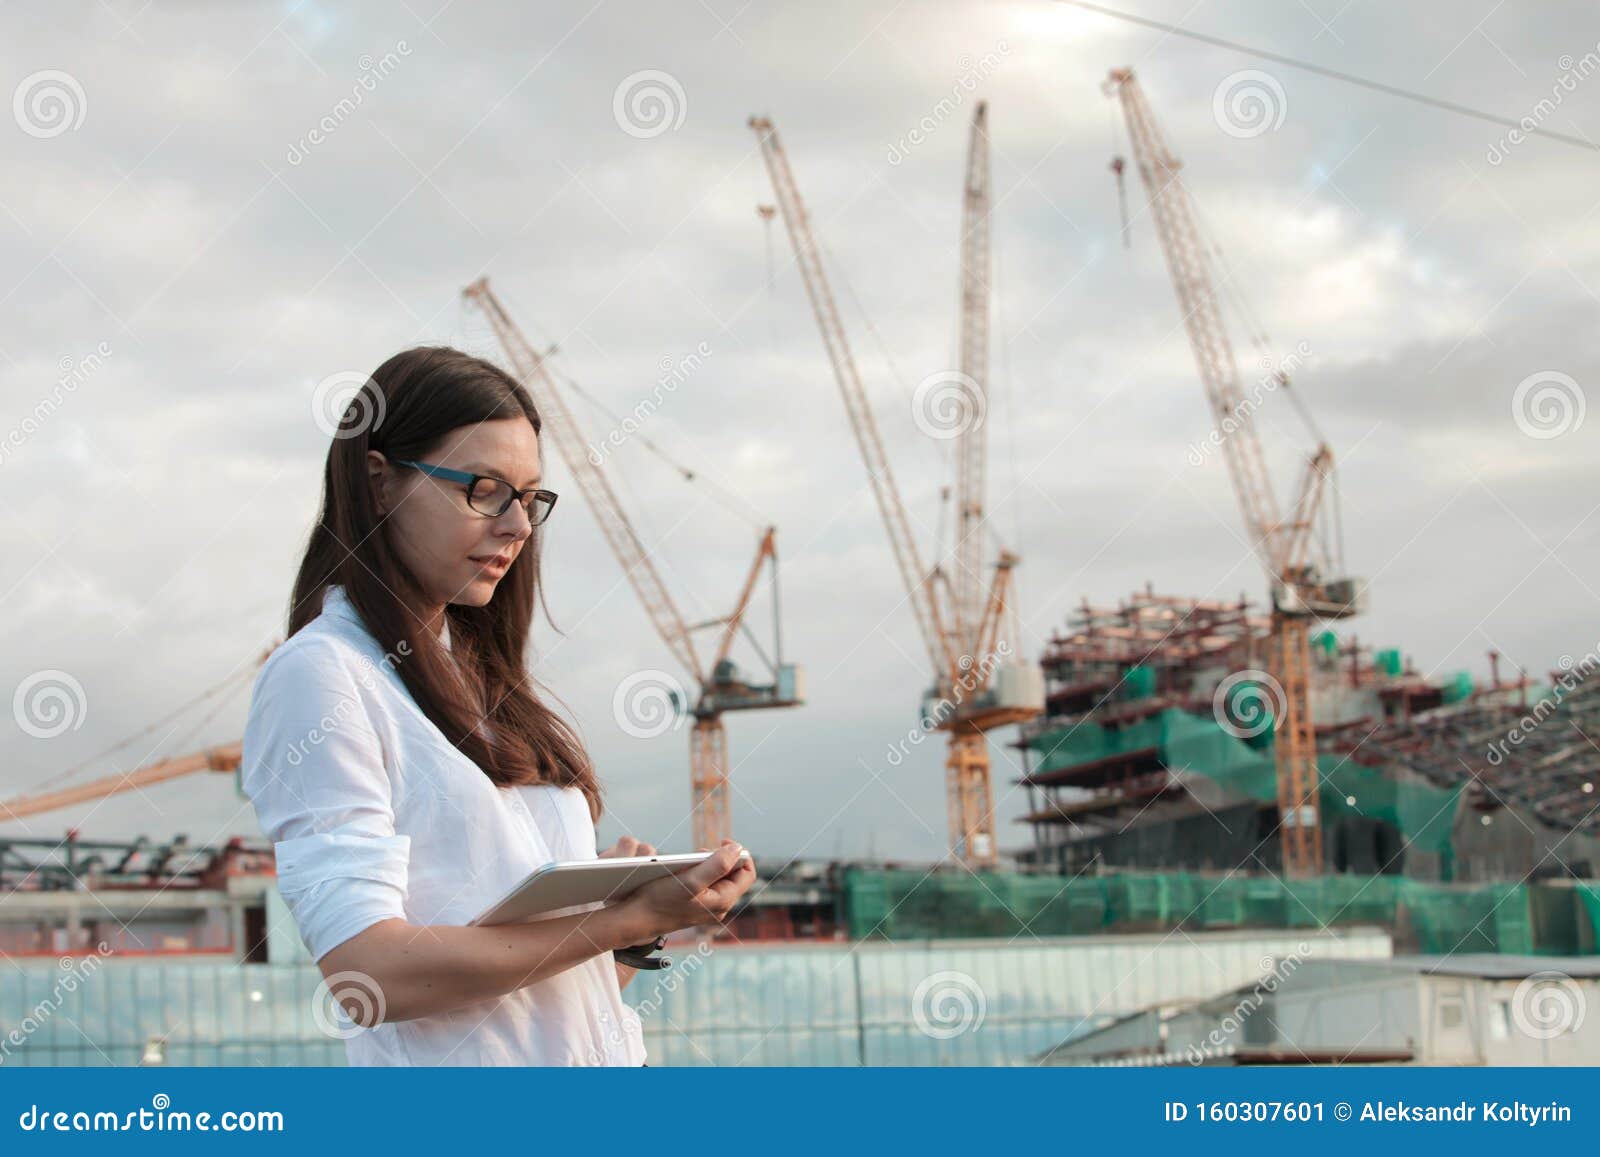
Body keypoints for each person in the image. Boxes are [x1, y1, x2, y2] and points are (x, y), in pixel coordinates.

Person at [239, 345, 756, 1066]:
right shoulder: (322, 677)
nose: (517, 525)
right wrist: (620, 919)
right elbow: (369, 975)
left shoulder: (477, 677)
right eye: (484, 489)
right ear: (380, 482)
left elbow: (536, 1006)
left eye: (530, 497)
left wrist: (632, 926)